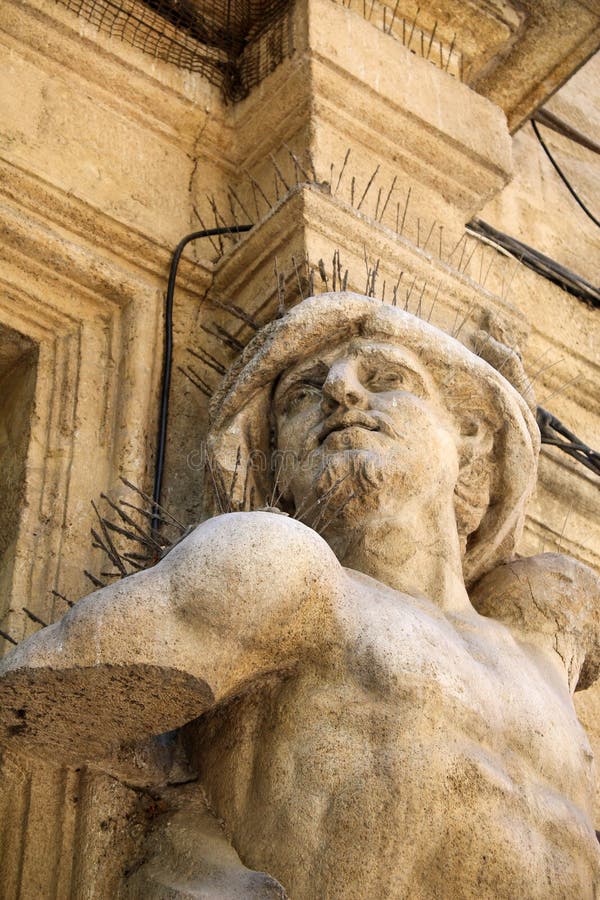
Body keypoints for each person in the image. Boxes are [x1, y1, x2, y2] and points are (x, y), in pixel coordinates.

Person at [1, 293, 599, 898]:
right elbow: (36, 699)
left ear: (470, 443)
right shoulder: (284, 570)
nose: (341, 389)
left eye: (386, 378)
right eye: (301, 395)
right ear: (277, 469)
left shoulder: (542, 654)